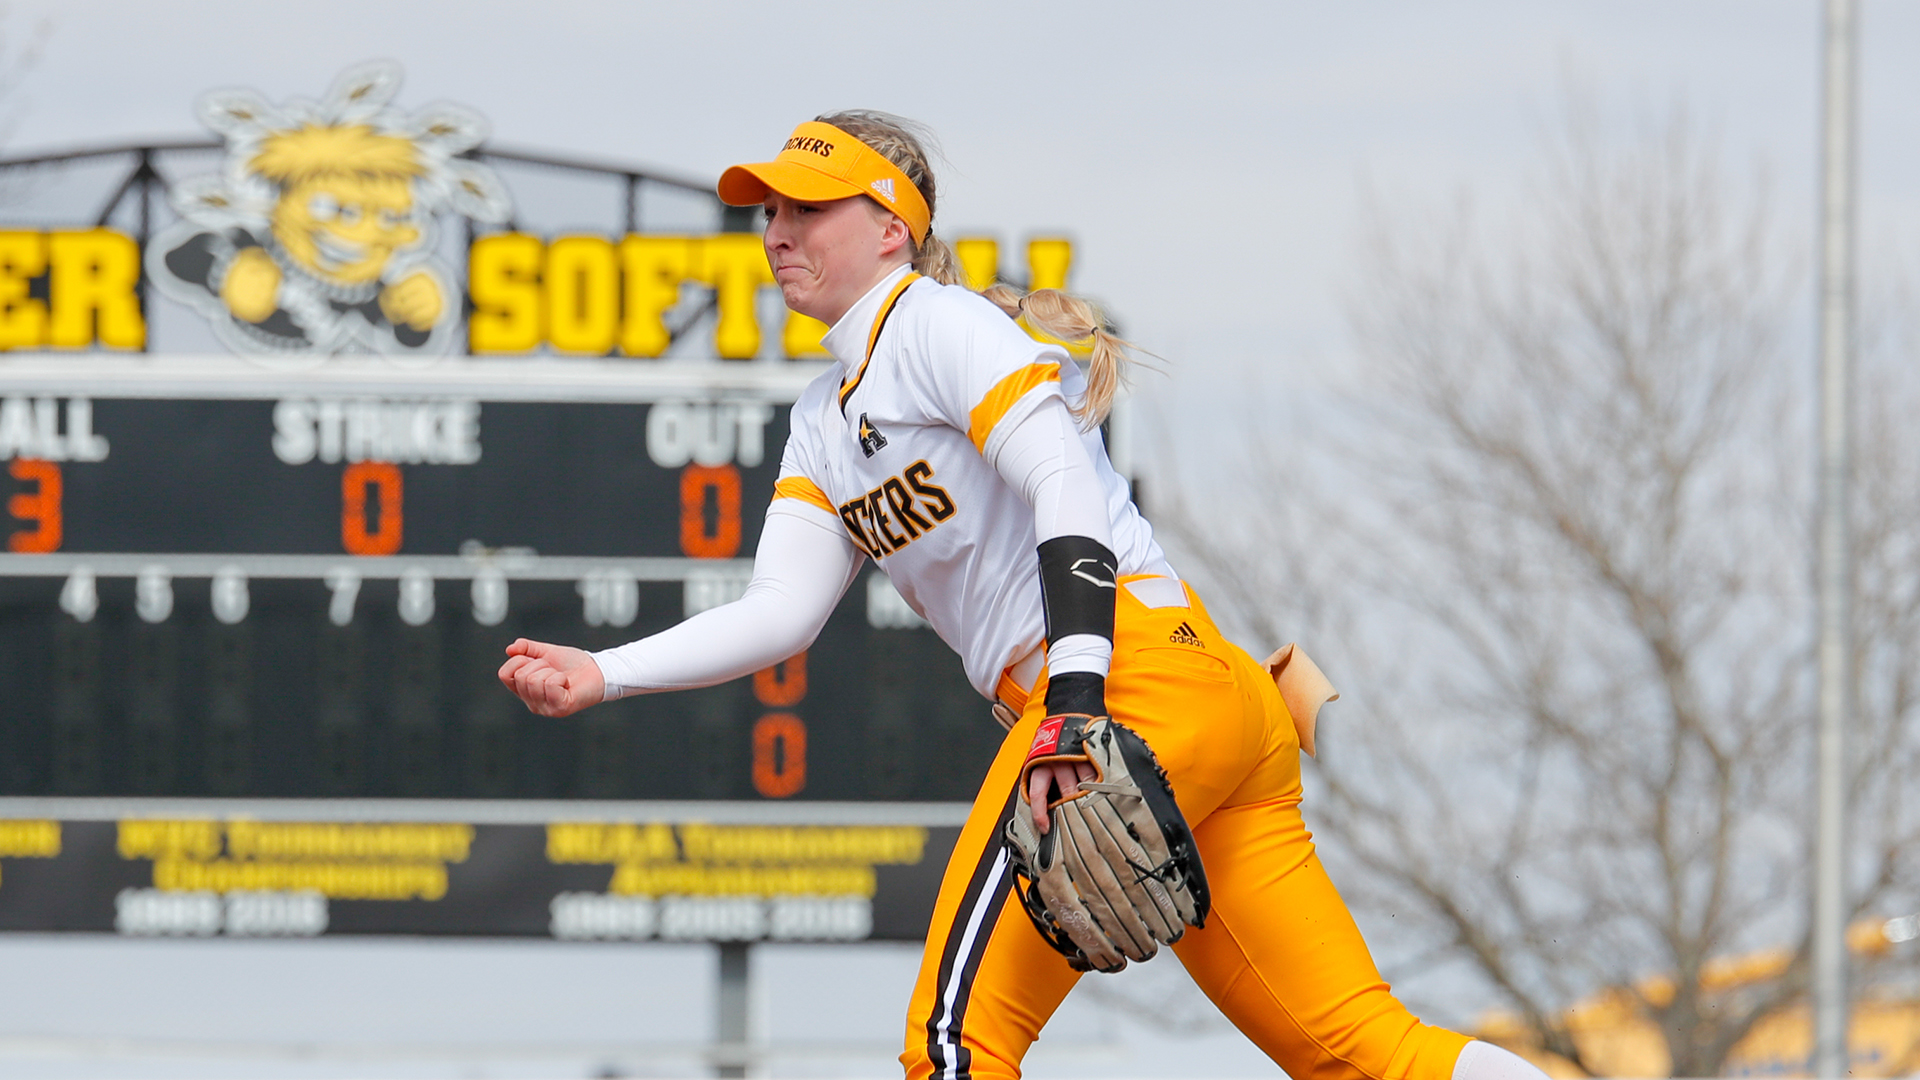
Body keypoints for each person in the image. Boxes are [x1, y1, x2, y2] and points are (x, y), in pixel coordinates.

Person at [499, 110, 1547, 1080]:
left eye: (807, 206)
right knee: (1362, 1052)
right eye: (769, 209)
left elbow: (1064, 480)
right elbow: (781, 612)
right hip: (1207, 701)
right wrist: (603, 673)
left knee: (955, 1040)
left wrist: (1079, 711)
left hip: (1121, 688)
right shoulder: (824, 418)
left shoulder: (932, 327)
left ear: (892, 229)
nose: (777, 230)